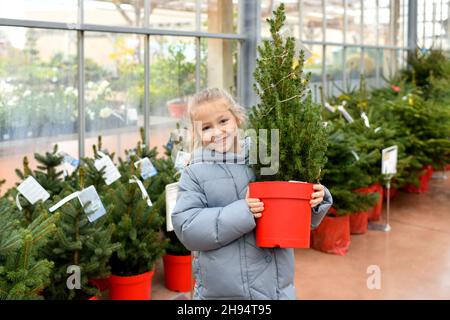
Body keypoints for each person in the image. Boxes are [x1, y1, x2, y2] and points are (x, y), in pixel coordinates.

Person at [171, 88, 333, 300]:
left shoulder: (265, 158)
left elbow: (295, 217)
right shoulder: (194, 173)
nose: (217, 132)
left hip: (275, 290)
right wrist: (242, 212)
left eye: (223, 121)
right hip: (225, 294)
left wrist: (314, 201)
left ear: (237, 118)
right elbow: (187, 227)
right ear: (196, 133)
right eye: (207, 127)